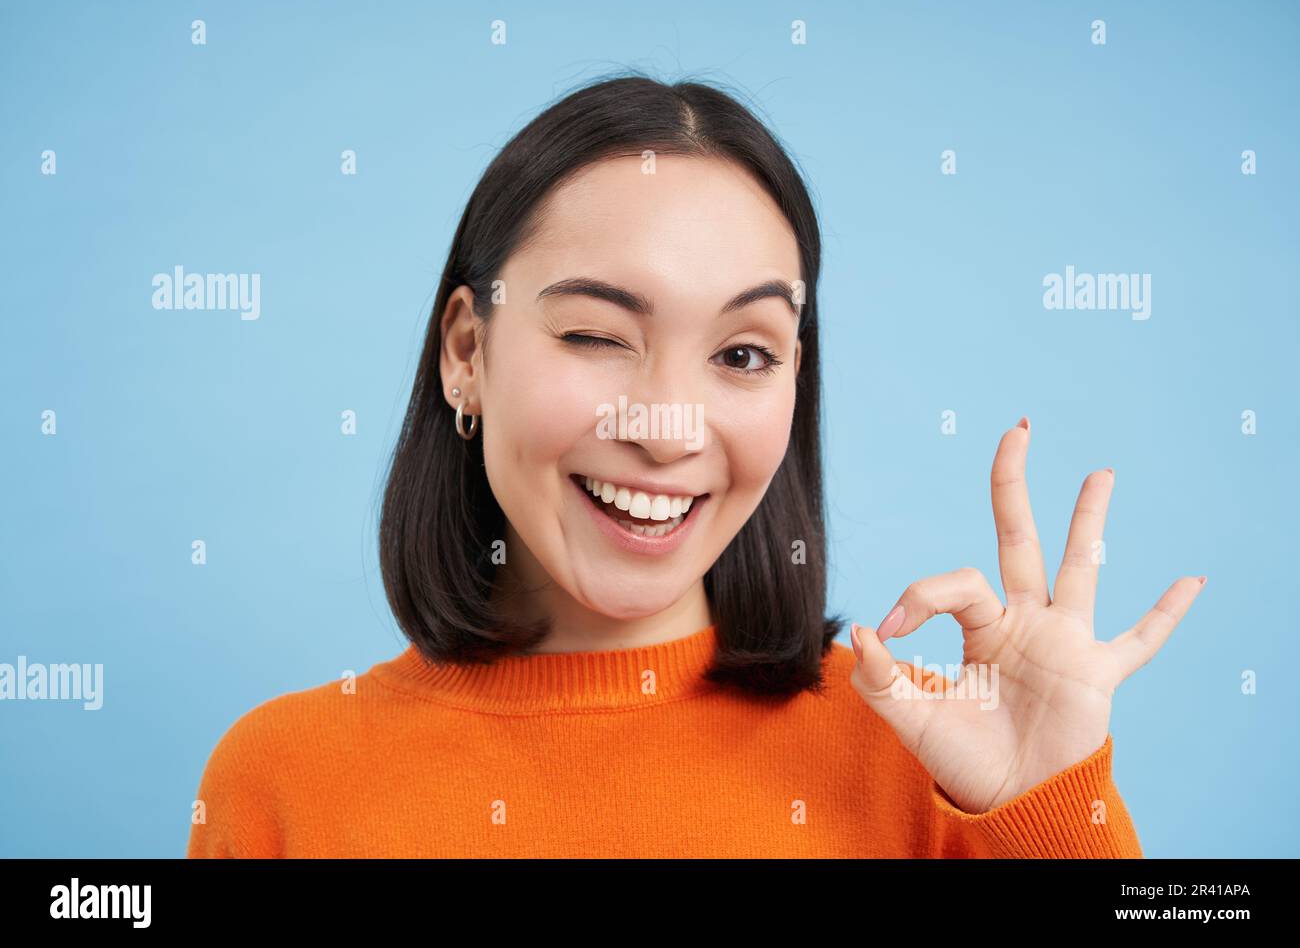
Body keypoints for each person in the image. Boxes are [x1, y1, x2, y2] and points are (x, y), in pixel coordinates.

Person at [187, 74, 1204, 858]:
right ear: (467, 351)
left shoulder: (925, 751)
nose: (670, 428)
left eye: (742, 354)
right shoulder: (279, 776)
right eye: (596, 334)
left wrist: (1053, 803)